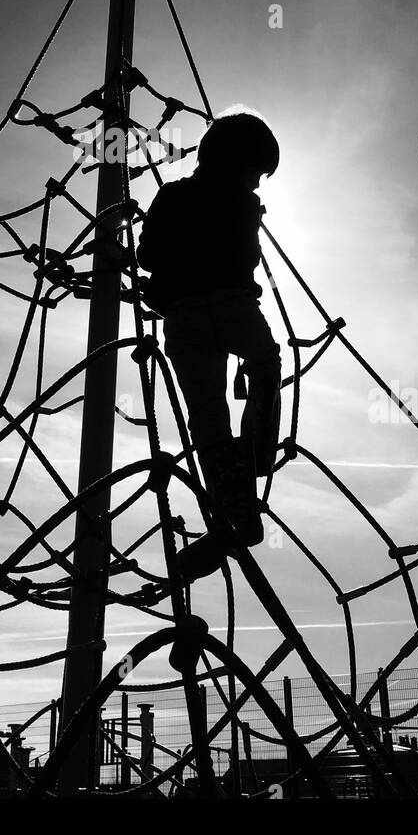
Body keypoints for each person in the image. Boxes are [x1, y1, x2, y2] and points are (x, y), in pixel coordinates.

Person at [136, 110, 282, 576]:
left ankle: (235, 502)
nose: (257, 185)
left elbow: (148, 255)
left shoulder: (175, 195)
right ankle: (252, 462)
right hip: (229, 308)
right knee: (264, 364)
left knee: (208, 420)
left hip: (185, 318)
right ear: (239, 162)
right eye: (256, 174)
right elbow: (240, 257)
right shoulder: (239, 203)